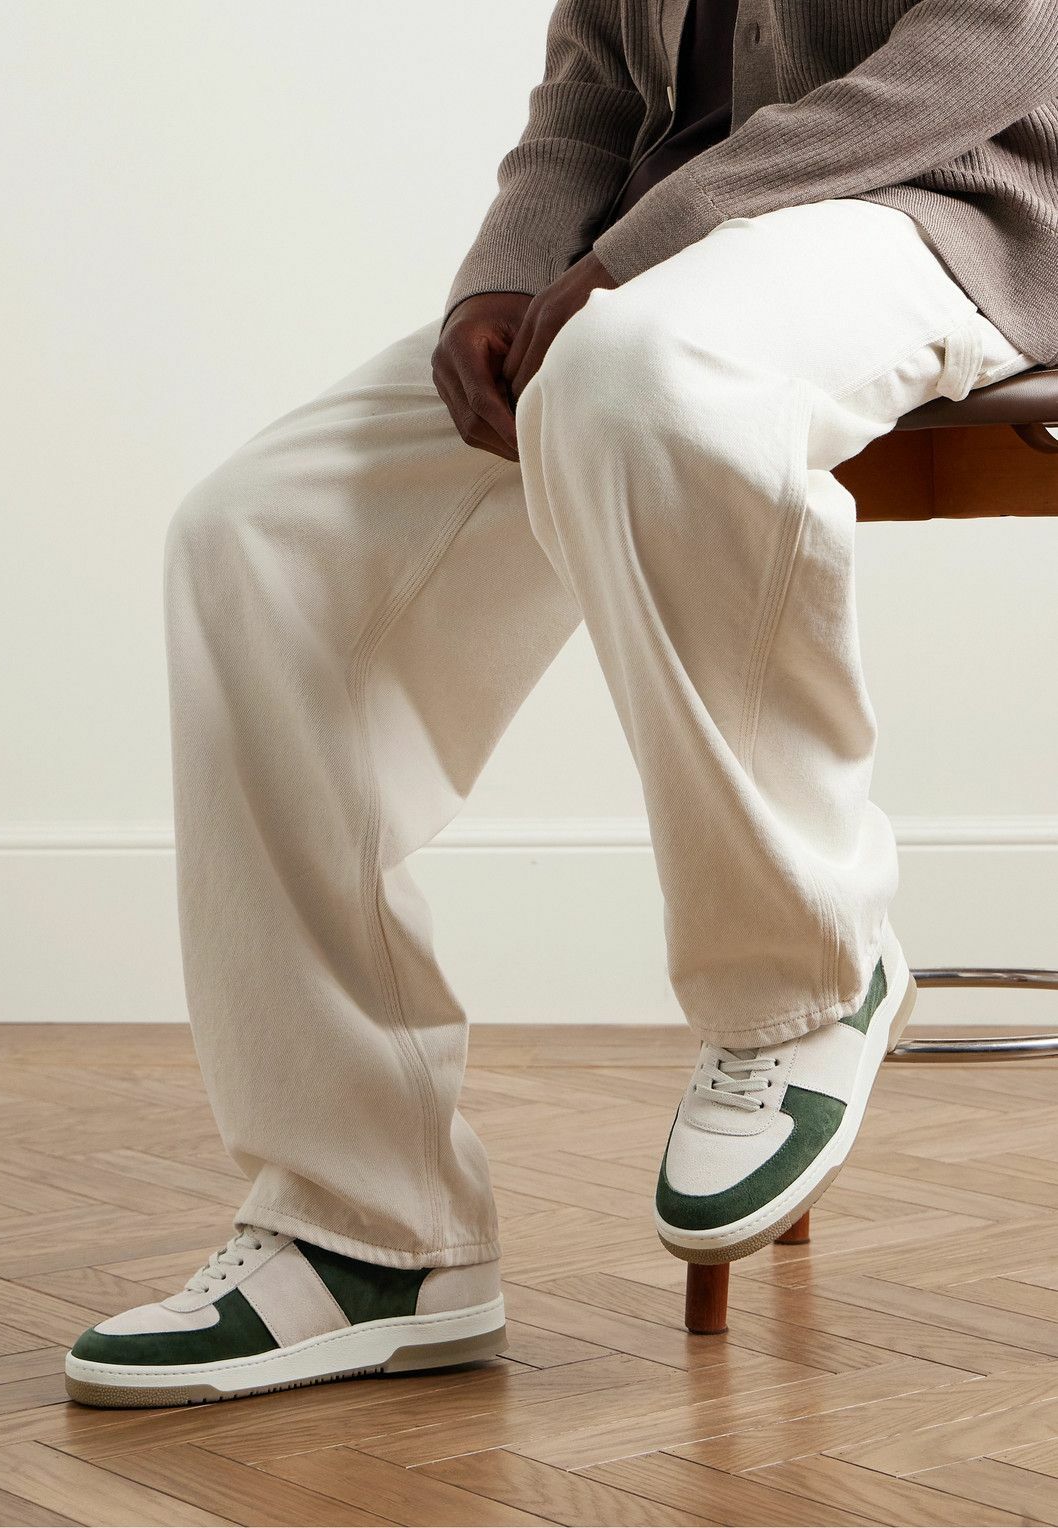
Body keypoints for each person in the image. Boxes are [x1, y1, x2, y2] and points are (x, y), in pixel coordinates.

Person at [65, 0, 1058, 1407]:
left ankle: (809, 975)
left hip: (946, 206)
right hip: (665, 256)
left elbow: (1003, 42)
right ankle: (366, 1233)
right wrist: (502, 279)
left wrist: (630, 255)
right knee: (260, 536)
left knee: (642, 378)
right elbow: (594, 80)